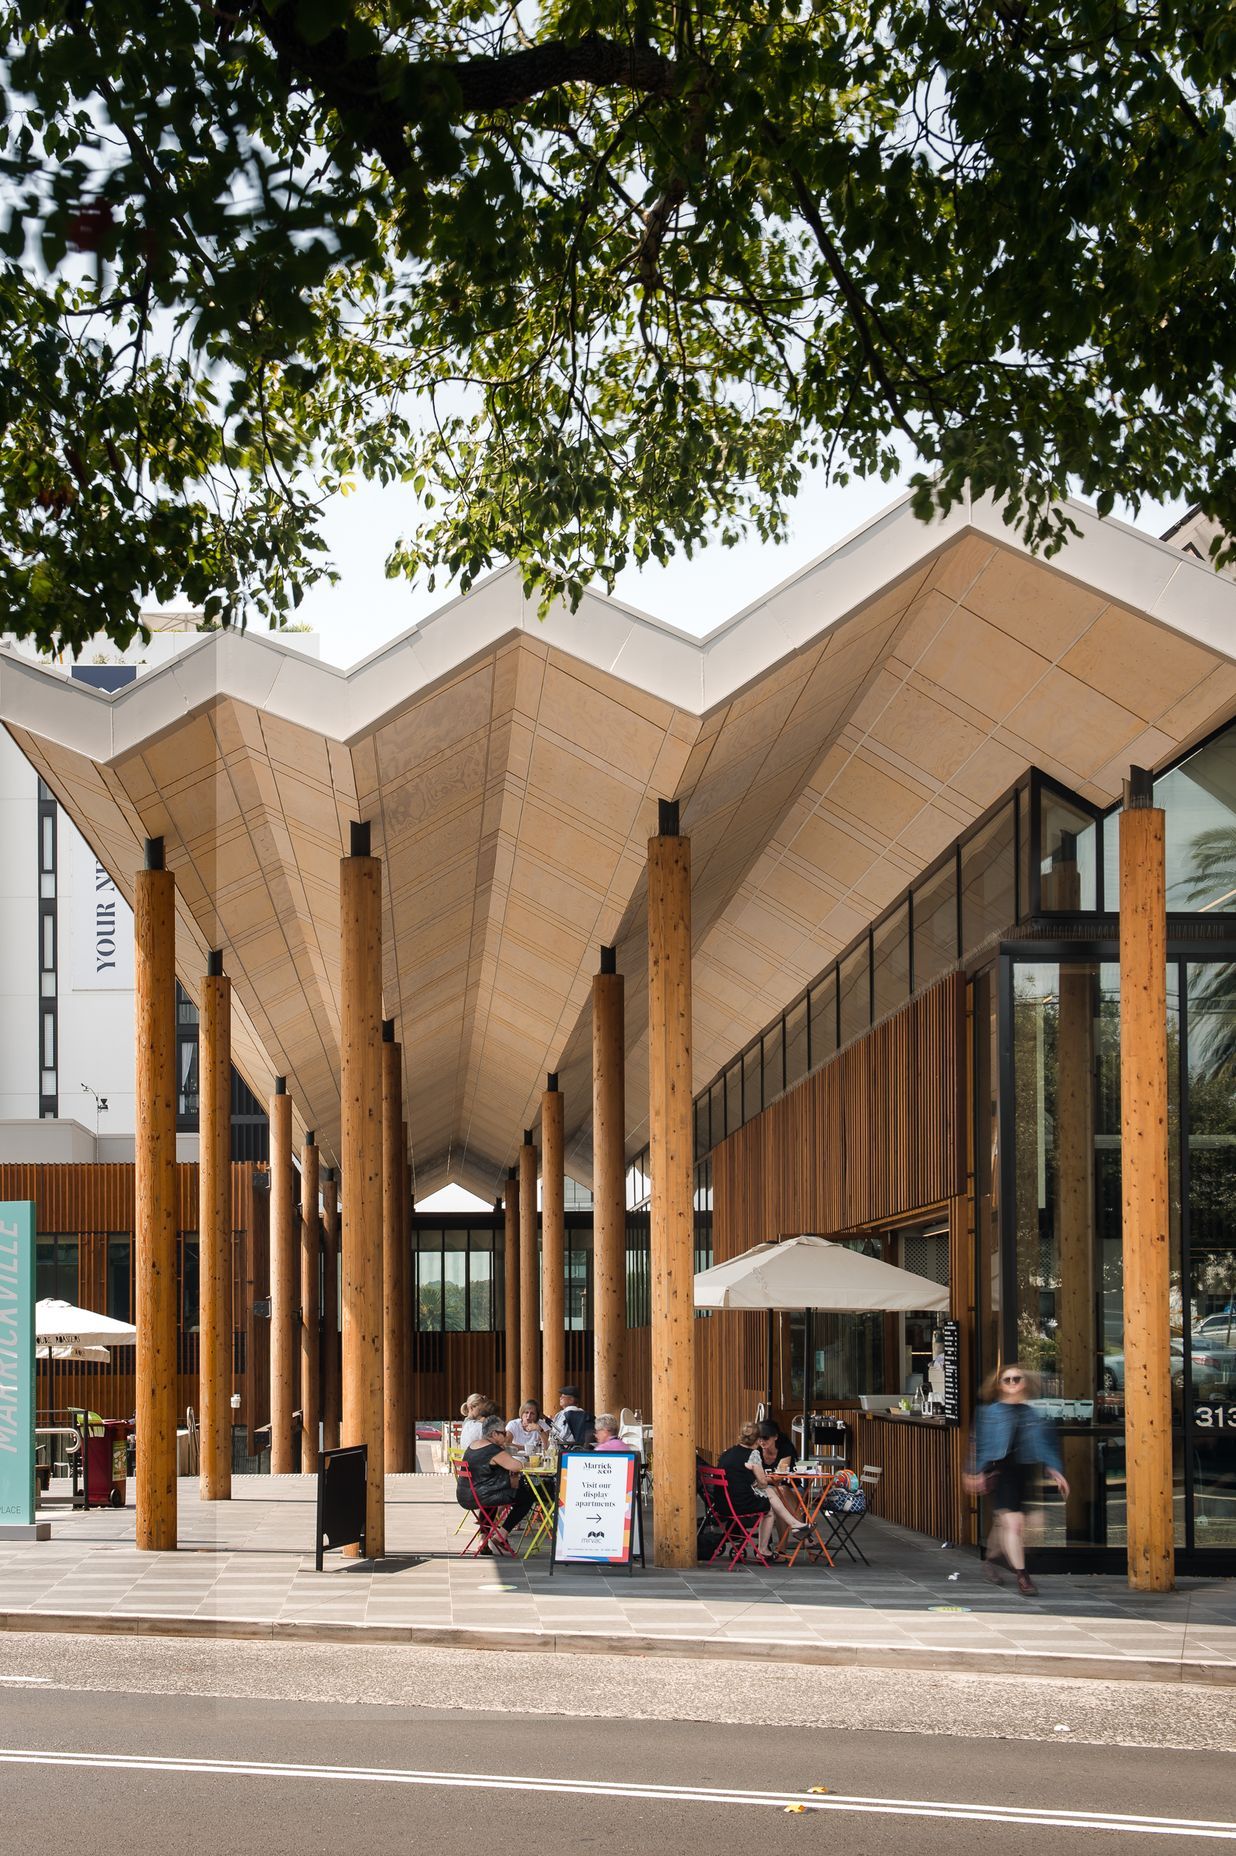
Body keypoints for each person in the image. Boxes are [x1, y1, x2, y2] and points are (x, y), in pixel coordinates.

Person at [965, 1362, 1068, 1597]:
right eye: (1007, 1379)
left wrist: (1055, 1469)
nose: (1012, 1383)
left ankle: (990, 1559)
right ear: (999, 1384)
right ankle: (1023, 1576)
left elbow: (1046, 1444)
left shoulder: (1033, 1414)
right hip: (1000, 1472)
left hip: (1025, 1472)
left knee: (1013, 1524)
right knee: (1013, 1524)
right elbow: (977, 1445)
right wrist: (975, 1471)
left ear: (1024, 1383)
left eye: (1017, 1379)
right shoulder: (988, 1413)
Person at [717, 1421, 810, 1559]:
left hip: (722, 1504)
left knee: (771, 1493)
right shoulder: (753, 1454)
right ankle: (764, 1549)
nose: (762, 1441)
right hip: (740, 1504)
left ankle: (796, 1524)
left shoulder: (727, 1453)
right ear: (756, 1439)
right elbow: (762, 1483)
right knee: (769, 1508)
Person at [457, 1415, 536, 1549]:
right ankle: (501, 1535)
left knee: (492, 1500)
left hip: (466, 1495)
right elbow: (517, 1465)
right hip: (482, 1495)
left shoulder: (473, 1445)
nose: (506, 1436)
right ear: (494, 1433)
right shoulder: (493, 1450)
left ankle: (483, 1538)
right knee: (527, 1497)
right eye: (503, 1433)